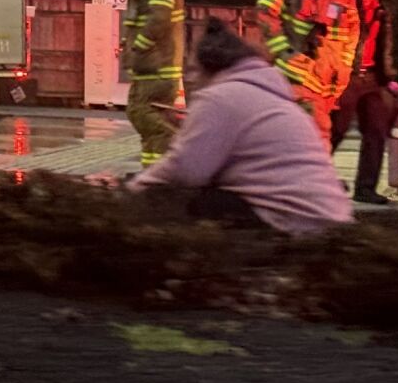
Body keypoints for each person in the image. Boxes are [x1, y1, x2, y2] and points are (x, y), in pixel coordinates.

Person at [130, 18, 353, 233]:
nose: (191, 79)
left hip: (291, 221)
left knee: (189, 201)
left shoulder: (220, 97)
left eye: (195, 70)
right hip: (327, 216)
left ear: (212, 68)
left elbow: (186, 169)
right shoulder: (270, 95)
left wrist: (134, 189)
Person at [255, 0, 360, 140]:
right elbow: (265, 14)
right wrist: (286, 54)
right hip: (292, 78)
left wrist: (342, 70)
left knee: (310, 139)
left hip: (325, 85)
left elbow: (350, 32)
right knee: (310, 138)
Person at [330, 0, 398, 205]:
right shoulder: (342, 5)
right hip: (346, 76)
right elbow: (328, 35)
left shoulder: (381, 10)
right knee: (335, 129)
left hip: (371, 77)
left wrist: (387, 78)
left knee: (377, 130)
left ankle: (366, 188)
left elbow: (383, 47)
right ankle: (310, 178)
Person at [120, 0, 186, 166]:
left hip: (158, 65)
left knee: (147, 117)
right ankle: (151, 171)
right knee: (143, 119)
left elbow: (159, 17)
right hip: (147, 65)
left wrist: (139, 45)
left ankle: (176, 152)